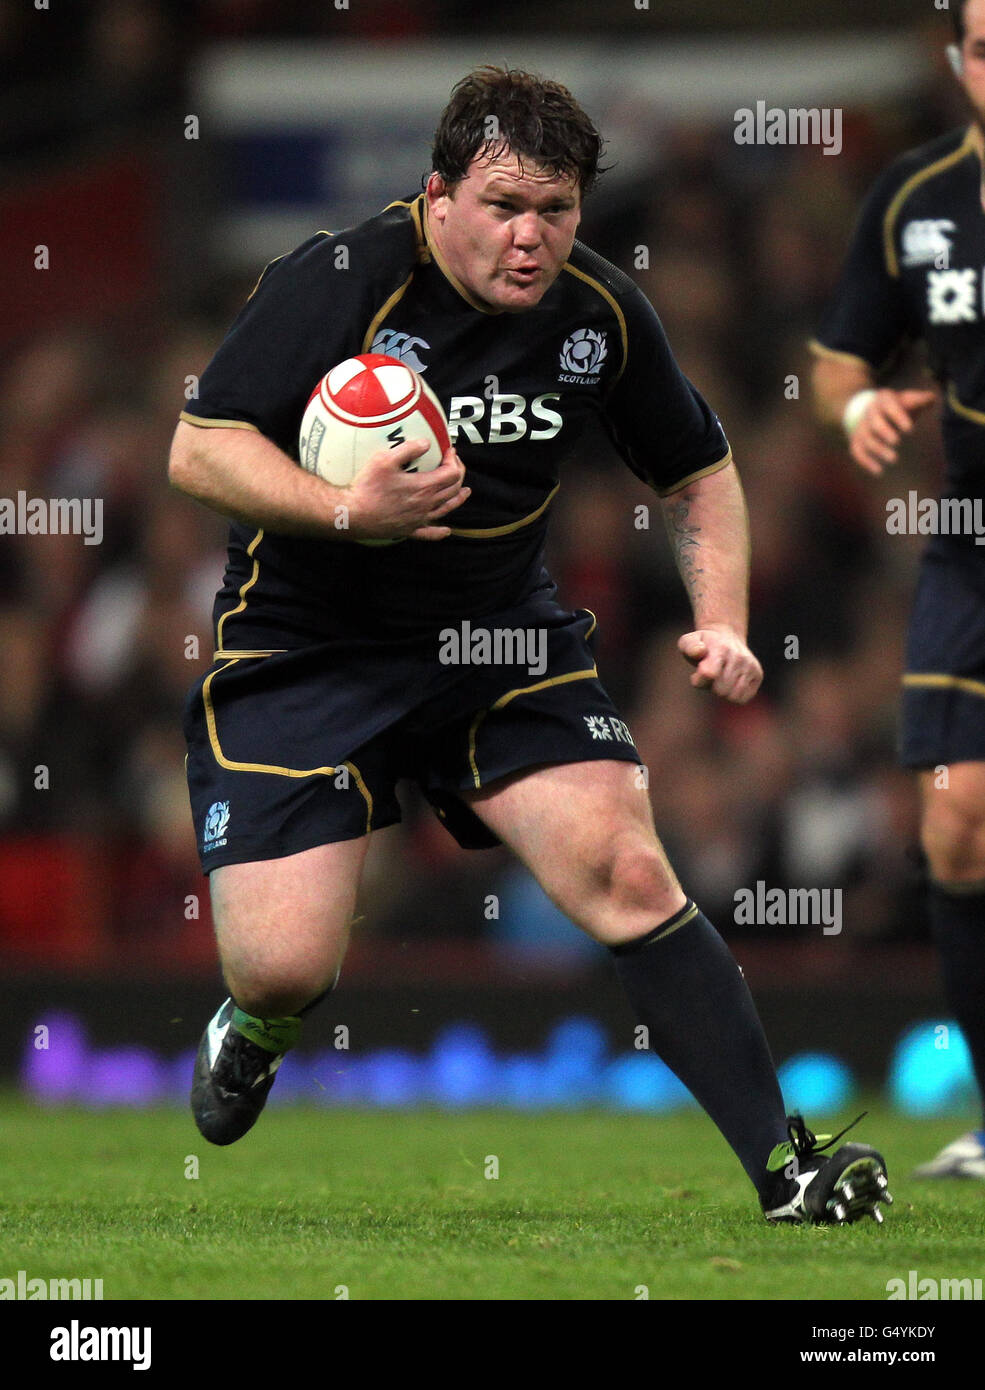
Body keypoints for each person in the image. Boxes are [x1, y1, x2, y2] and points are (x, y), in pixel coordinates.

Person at [170, 65, 891, 1223]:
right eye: (503, 207)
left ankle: (784, 1168)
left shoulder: (598, 315)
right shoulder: (338, 280)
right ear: (437, 193)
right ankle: (254, 1028)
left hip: (494, 639)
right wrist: (352, 510)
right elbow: (200, 450)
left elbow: (698, 474)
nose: (530, 238)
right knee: (285, 966)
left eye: (555, 212)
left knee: (627, 869)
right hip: (304, 648)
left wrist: (723, 621)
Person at [810, 3, 985, 1180]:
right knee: (955, 826)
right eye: (980, 44)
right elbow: (836, 361)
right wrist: (858, 405)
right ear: (956, 61)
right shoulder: (917, 201)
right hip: (971, 552)